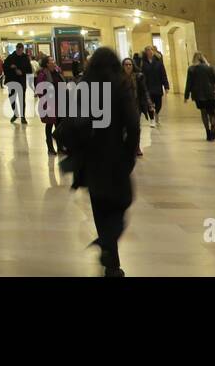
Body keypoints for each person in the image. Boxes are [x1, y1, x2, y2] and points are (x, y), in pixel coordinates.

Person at [59, 48, 139, 277]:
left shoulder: (85, 86)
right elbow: (133, 123)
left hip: (91, 156)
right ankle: (107, 249)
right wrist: (130, 151)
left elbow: (70, 120)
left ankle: (110, 258)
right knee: (122, 201)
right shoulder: (120, 85)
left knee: (101, 207)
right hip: (115, 154)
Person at [183, 52, 215, 141]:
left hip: (198, 95)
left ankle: (207, 132)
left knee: (203, 113)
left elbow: (189, 83)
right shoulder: (209, 67)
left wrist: (186, 95)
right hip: (209, 93)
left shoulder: (191, 69)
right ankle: (213, 128)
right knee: (212, 113)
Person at [119, 56, 151, 155]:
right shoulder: (119, 77)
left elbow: (144, 90)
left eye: (130, 64)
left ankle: (137, 147)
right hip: (123, 107)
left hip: (136, 106)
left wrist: (149, 102)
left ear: (133, 66)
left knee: (135, 128)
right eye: (126, 65)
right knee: (123, 128)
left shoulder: (138, 76)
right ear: (123, 66)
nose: (128, 66)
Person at [35, 56, 64, 155]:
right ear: (47, 64)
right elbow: (40, 90)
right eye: (51, 60)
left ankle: (60, 147)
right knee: (50, 125)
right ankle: (50, 147)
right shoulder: (43, 74)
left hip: (59, 101)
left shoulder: (56, 71)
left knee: (59, 125)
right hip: (49, 103)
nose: (54, 61)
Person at [140, 46, 169, 128]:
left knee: (158, 105)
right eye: (148, 50)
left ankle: (156, 114)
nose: (150, 52)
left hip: (157, 86)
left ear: (153, 51)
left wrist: (166, 86)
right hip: (148, 87)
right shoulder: (143, 63)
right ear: (146, 52)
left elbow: (163, 74)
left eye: (151, 50)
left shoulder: (159, 62)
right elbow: (141, 75)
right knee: (150, 104)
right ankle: (152, 120)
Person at [5, 43, 33, 123]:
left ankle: (23, 116)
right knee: (12, 98)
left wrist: (22, 72)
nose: (19, 52)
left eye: (21, 50)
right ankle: (15, 113)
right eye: (18, 50)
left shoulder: (25, 58)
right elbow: (5, 67)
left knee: (22, 99)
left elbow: (29, 70)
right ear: (16, 49)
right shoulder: (10, 57)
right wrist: (11, 67)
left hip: (22, 81)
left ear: (23, 49)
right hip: (12, 81)